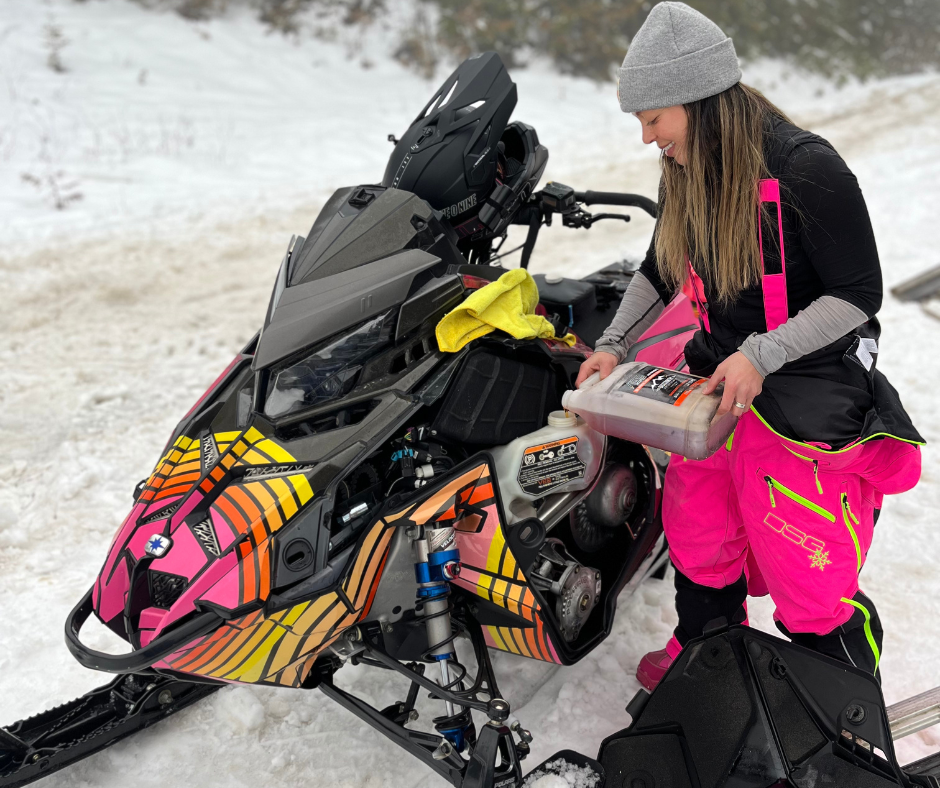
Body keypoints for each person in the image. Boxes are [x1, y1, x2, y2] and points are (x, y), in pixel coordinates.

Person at [576, 1, 923, 691]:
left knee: (807, 570)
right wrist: (614, 344)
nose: (648, 138)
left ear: (698, 102)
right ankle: (711, 660)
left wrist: (763, 354)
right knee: (700, 533)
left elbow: (858, 295)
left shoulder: (807, 168)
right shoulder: (687, 168)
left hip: (806, 387)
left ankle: (839, 700)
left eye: (654, 119)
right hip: (717, 381)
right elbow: (661, 268)